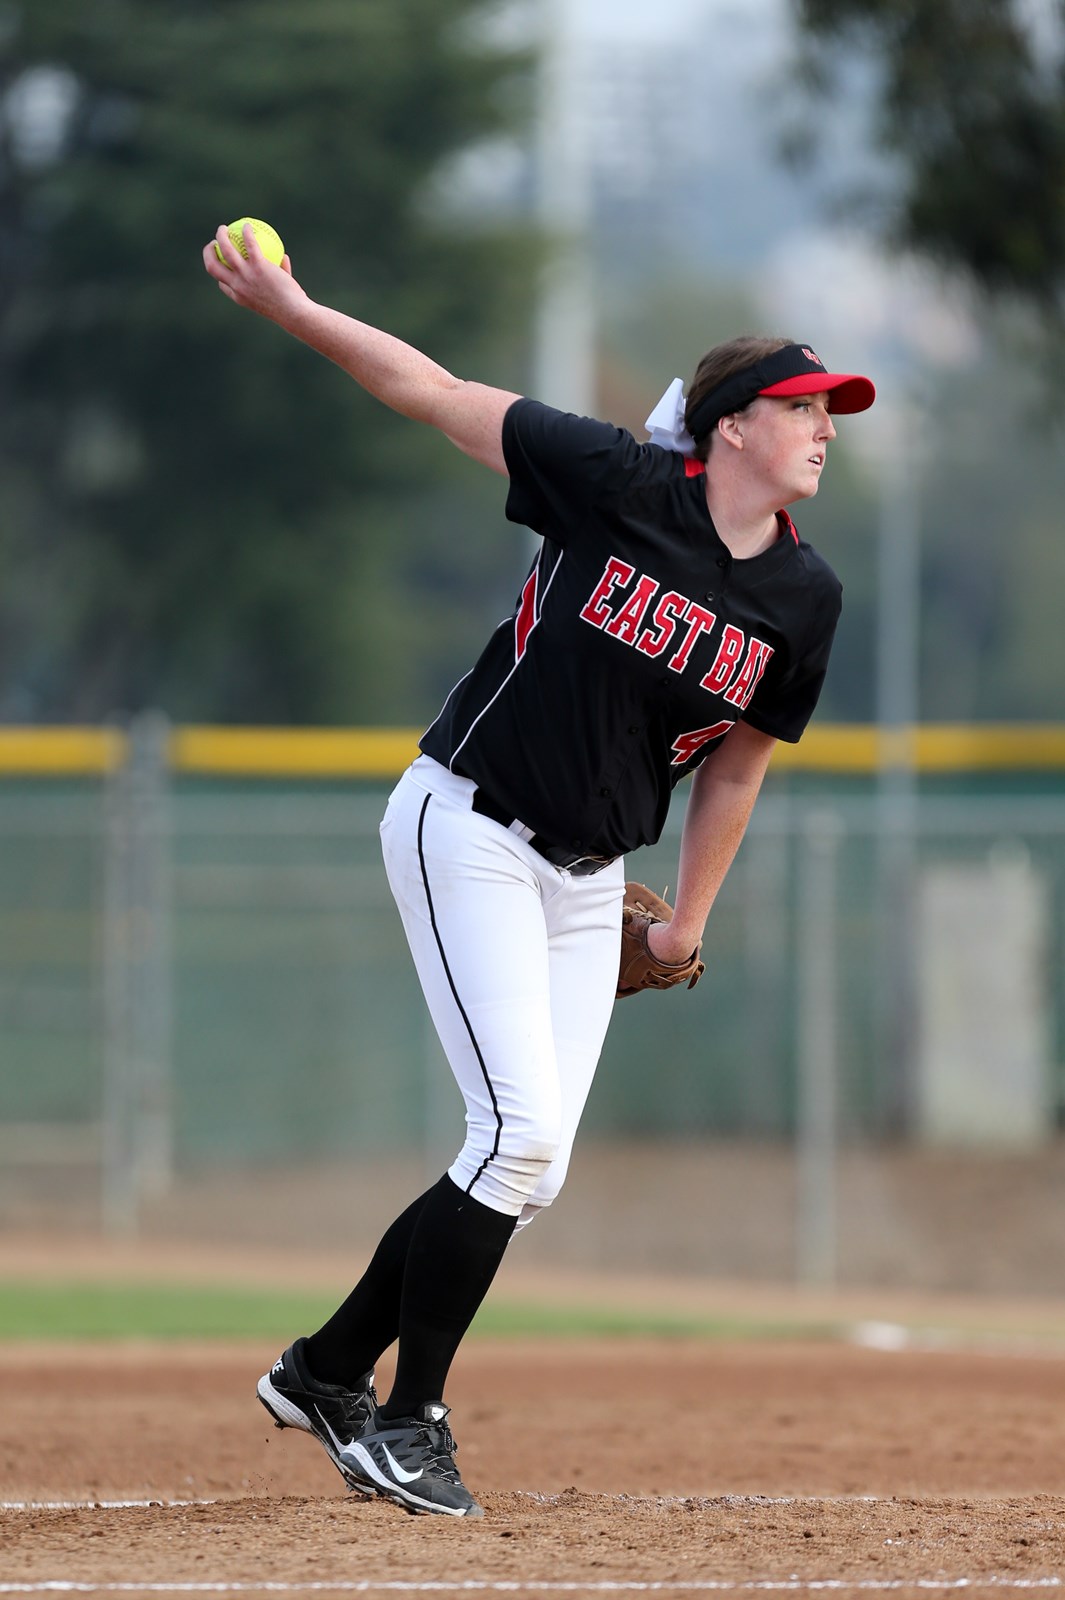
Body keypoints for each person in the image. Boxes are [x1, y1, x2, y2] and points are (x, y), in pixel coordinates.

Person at [203, 223, 875, 1519]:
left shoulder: (807, 597)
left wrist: (684, 921)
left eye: (829, 412)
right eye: (801, 407)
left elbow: (738, 766)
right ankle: (406, 1421)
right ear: (732, 425)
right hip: (467, 825)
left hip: (586, 880)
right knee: (511, 1140)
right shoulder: (614, 482)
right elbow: (433, 391)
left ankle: (325, 1369)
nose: (822, 430)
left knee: (533, 1164)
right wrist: (292, 307)